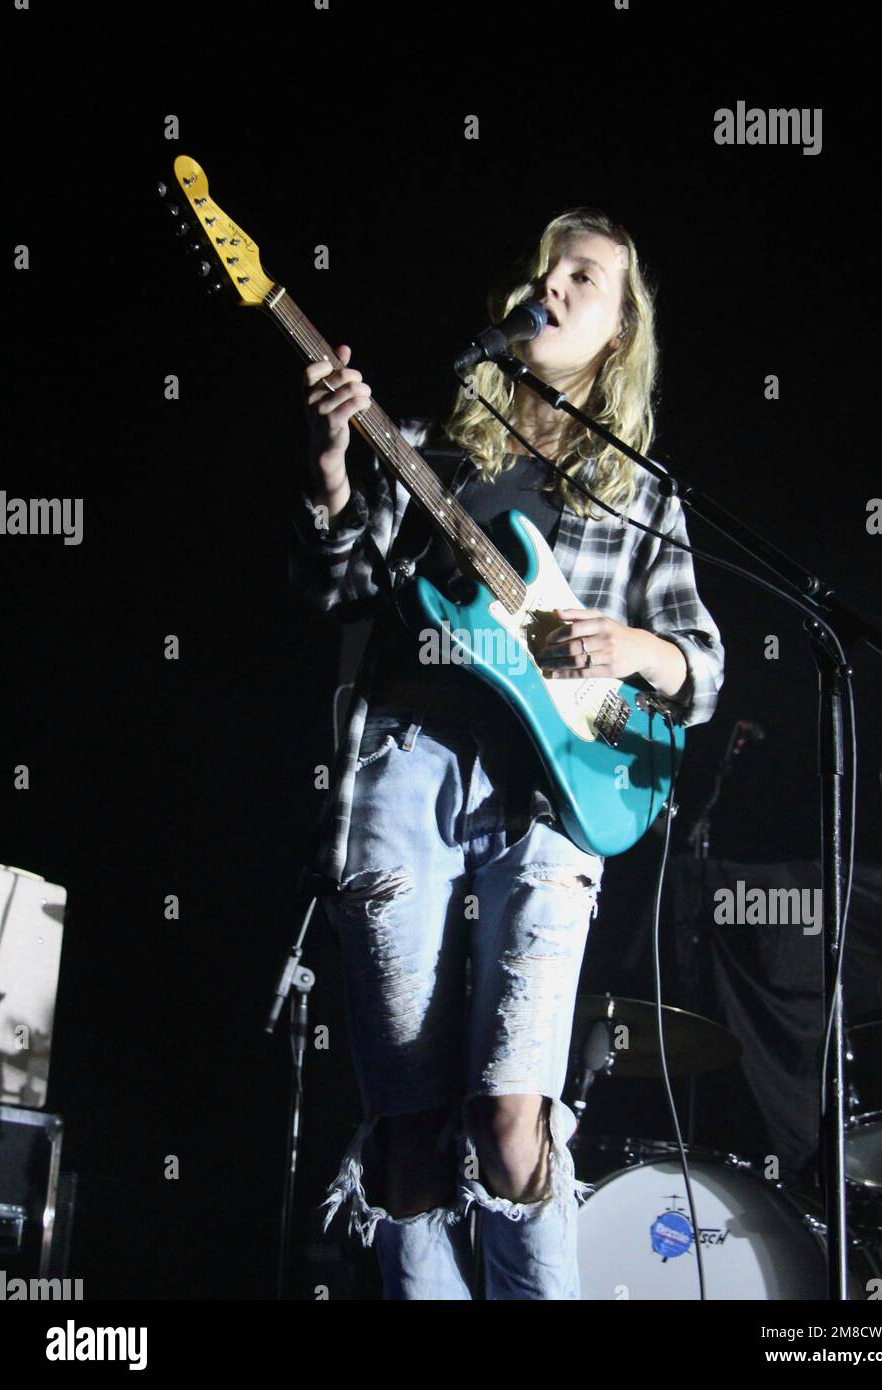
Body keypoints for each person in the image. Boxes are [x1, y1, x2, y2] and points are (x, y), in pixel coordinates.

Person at [289, 208, 725, 1299]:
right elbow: (339, 586)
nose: (555, 285)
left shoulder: (644, 493)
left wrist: (635, 645)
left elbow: (704, 672)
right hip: (407, 767)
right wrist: (336, 466)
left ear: (622, 333)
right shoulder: (435, 441)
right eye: (545, 267)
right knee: (409, 1130)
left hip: (552, 804)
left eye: (584, 277)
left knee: (510, 1116)